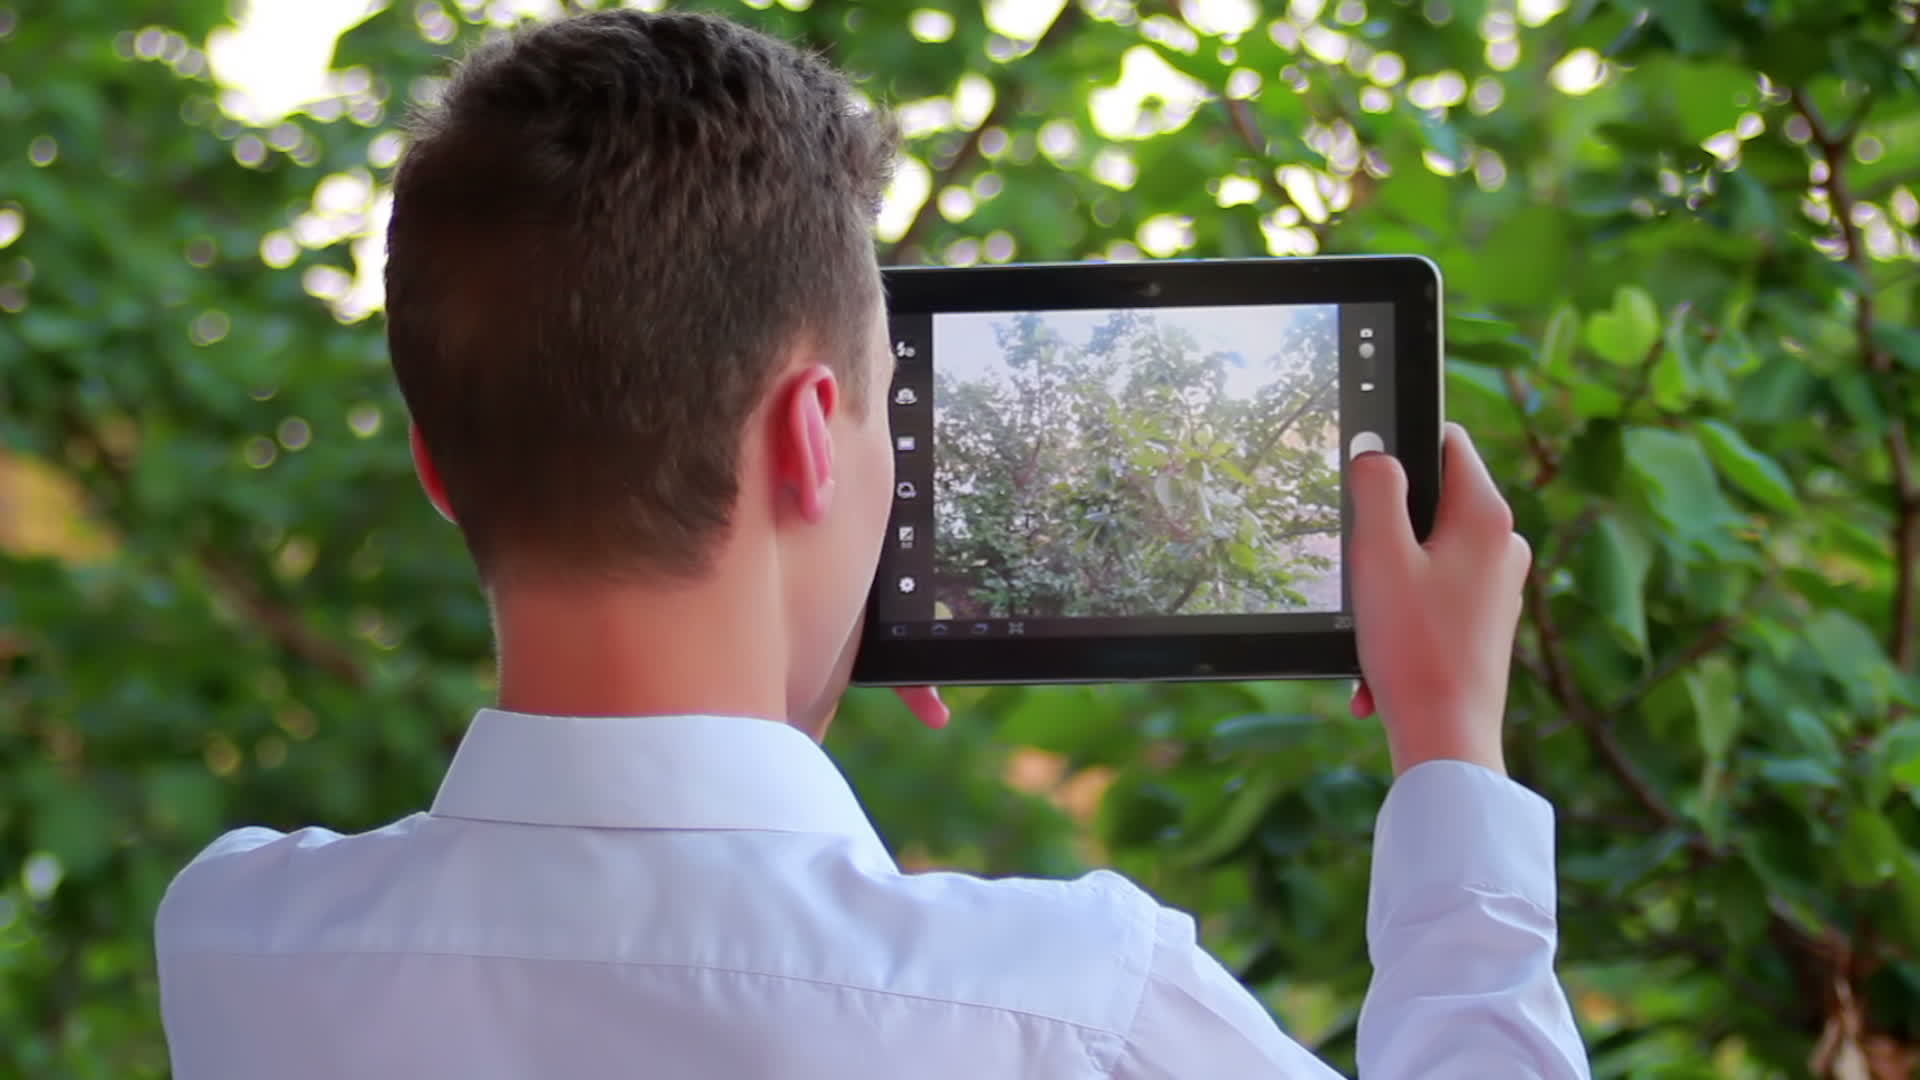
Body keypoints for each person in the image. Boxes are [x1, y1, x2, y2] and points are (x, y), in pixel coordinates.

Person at [154, 10, 1589, 1079]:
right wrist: (1451, 745)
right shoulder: (1075, 1010)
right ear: (810, 439)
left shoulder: (238, 943)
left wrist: (763, 702)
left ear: (437, 470)